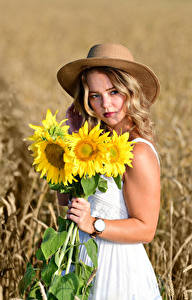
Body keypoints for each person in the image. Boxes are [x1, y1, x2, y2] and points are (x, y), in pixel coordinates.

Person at [56, 43, 161, 300]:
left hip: (118, 272)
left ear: (131, 91)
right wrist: (72, 143)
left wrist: (93, 224)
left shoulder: (138, 152)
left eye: (114, 92)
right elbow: (65, 202)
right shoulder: (95, 145)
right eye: (95, 95)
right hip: (81, 263)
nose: (106, 104)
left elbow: (146, 229)